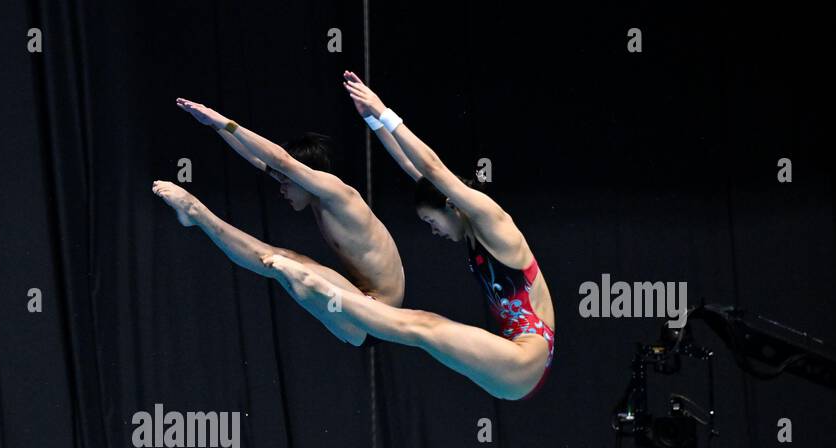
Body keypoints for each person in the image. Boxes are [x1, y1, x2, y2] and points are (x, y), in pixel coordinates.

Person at [259, 71, 556, 401]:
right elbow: (413, 169)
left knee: (421, 326)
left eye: (432, 222)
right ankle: (330, 295)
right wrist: (374, 122)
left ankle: (323, 288)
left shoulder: (492, 219)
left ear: (451, 205)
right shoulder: (469, 225)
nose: (434, 231)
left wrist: (385, 111)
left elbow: (433, 169)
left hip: (527, 356)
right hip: (513, 363)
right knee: (423, 330)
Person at [152, 97, 405, 345]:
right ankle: (196, 215)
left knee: (287, 262)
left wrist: (225, 121)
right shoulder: (313, 193)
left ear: (305, 174)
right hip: (358, 312)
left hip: (378, 317)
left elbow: (280, 160)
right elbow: (261, 160)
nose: (281, 190)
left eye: (285, 182)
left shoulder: (338, 193)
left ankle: (196, 211)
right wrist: (213, 124)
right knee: (278, 261)